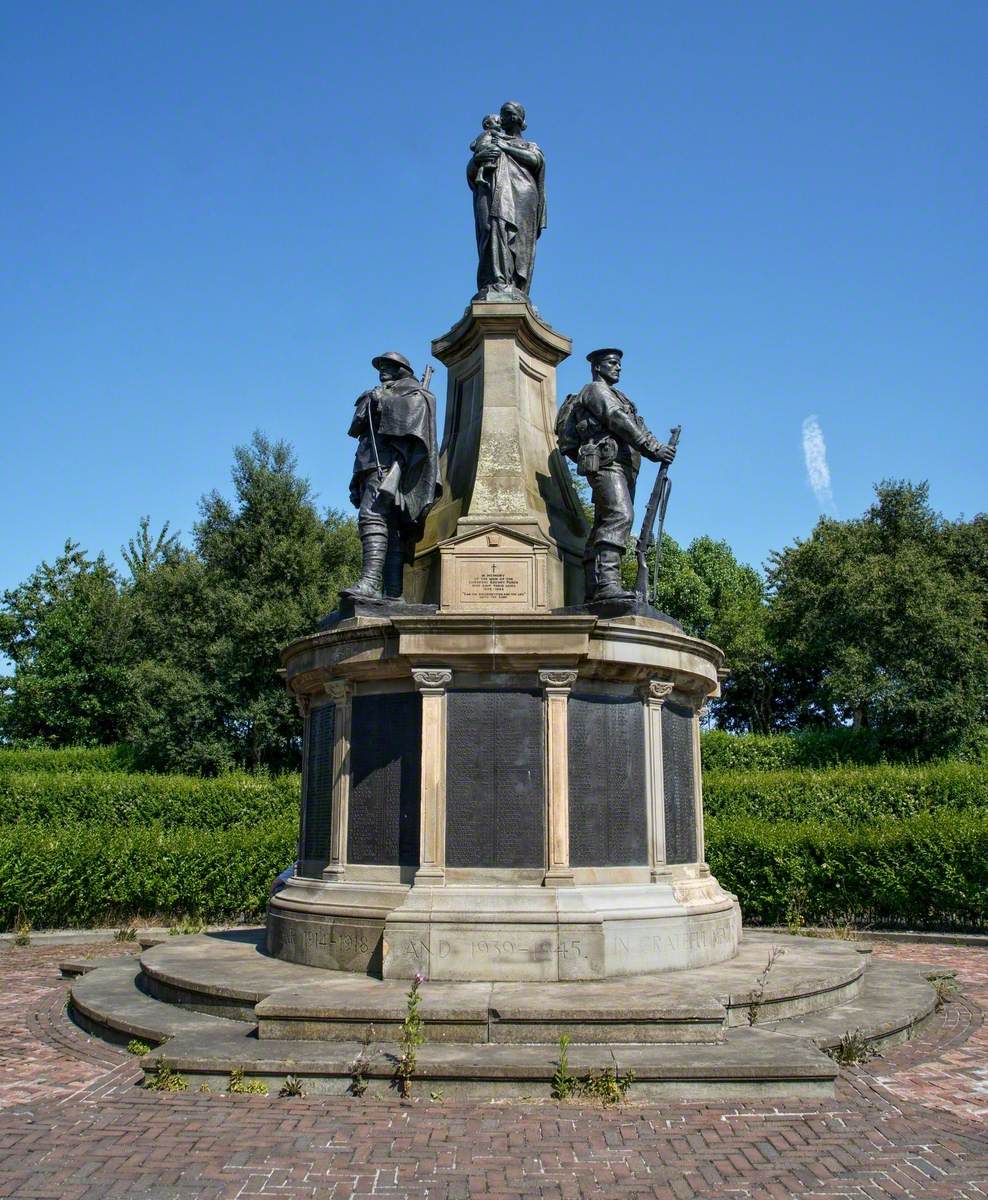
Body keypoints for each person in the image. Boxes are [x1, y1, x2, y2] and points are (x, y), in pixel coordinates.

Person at [558, 349, 676, 603]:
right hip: (606, 463)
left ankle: (594, 586)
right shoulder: (595, 390)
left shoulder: (621, 397)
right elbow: (616, 419)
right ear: (597, 367)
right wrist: (654, 448)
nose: (618, 367)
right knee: (620, 515)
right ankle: (608, 584)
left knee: (604, 521)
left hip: (624, 466)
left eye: (619, 364)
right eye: (612, 363)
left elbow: (638, 425)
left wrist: (659, 448)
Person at [343, 352, 440, 602]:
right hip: (370, 463)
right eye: (381, 365)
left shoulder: (413, 393)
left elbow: (413, 416)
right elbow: (356, 426)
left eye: (389, 365)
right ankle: (393, 593)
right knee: (392, 527)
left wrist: (384, 401)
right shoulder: (377, 392)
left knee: (372, 517)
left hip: (389, 465)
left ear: (402, 370)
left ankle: (370, 583)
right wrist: (374, 400)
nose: (383, 369)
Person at [467, 101, 546, 299]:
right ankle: (495, 281)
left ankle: (516, 286)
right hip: (492, 192)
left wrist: (505, 147)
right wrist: (478, 160)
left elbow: (536, 161)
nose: (506, 117)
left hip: (522, 195)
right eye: (503, 114)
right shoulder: (491, 139)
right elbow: (472, 170)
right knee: (490, 230)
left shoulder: (529, 145)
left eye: (511, 113)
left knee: (520, 241)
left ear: (521, 119)